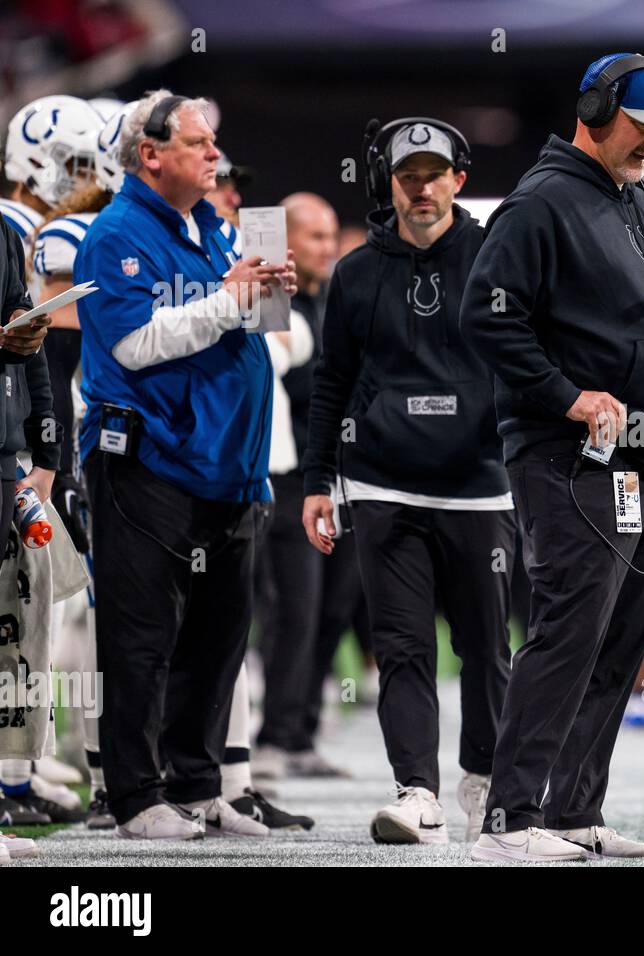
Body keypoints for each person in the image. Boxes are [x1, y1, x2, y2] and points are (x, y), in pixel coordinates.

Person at [461, 51, 644, 862]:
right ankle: (508, 820)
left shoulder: (637, 204)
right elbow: (487, 318)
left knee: (618, 646)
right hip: (575, 459)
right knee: (567, 633)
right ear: (594, 109)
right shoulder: (541, 202)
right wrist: (569, 395)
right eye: (642, 126)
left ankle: (573, 811)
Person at [75, 90, 296, 839]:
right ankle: (136, 796)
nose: (214, 156)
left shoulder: (214, 228)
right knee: (141, 639)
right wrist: (231, 300)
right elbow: (136, 343)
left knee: (217, 634)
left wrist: (266, 294)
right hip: (149, 463)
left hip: (227, 466)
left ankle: (198, 785)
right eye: (199, 144)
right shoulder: (113, 235)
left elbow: (242, 318)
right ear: (152, 155)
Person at [301, 118, 516, 844]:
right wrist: (316, 481)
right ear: (386, 181)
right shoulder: (356, 273)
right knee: (401, 648)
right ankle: (416, 789)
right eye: (406, 175)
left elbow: (529, 363)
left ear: (458, 178)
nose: (421, 187)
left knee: (487, 647)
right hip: (383, 484)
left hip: (481, 485)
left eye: (434, 173)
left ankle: (483, 781)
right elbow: (330, 384)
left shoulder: (497, 257)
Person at [0, 93, 100, 825]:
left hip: (15, 451)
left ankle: (14, 774)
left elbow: (29, 353)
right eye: (81, 163)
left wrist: (40, 446)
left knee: (30, 612)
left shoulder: (24, 236)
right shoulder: (13, 231)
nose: (93, 179)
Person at [253, 192, 347, 779]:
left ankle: (299, 732)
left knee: (329, 608)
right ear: (284, 242)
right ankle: (267, 737)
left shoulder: (337, 298)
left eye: (332, 235)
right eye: (316, 237)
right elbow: (273, 370)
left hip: (337, 473)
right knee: (284, 607)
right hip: (280, 475)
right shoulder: (268, 296)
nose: (329, 248)